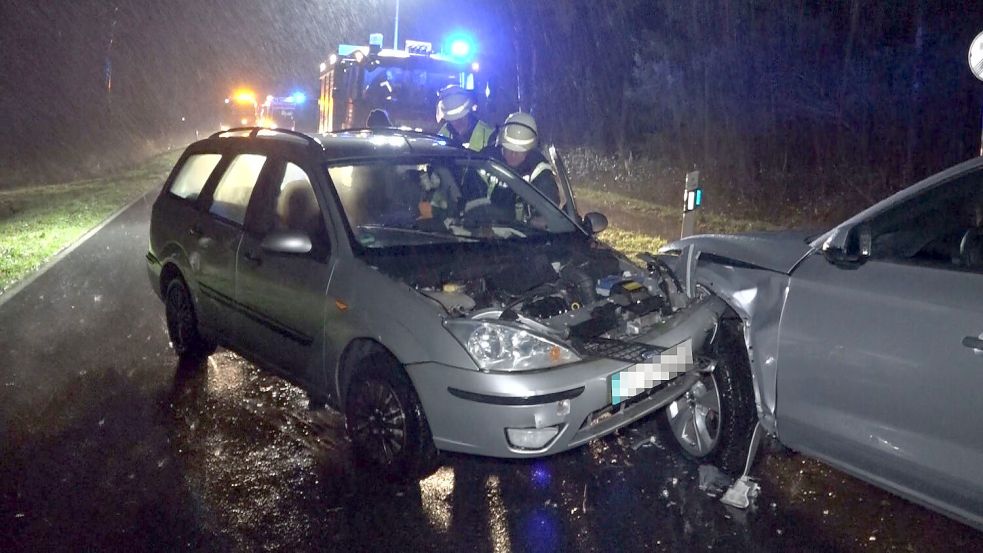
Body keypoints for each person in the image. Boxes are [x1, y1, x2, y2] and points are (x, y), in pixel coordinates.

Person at [492, 111, 560, 205]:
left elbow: (549, 210)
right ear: (501, 144)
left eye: (520, 150)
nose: (513, 154)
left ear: (530, 150)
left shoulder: (539, 171)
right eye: (509, 148)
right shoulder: (486, 159)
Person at [436, 85, 495, 152]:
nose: (457, 122)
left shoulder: (489, 135)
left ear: (468, 113)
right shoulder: (444, 133)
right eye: (452, 119)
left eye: (461, 117)